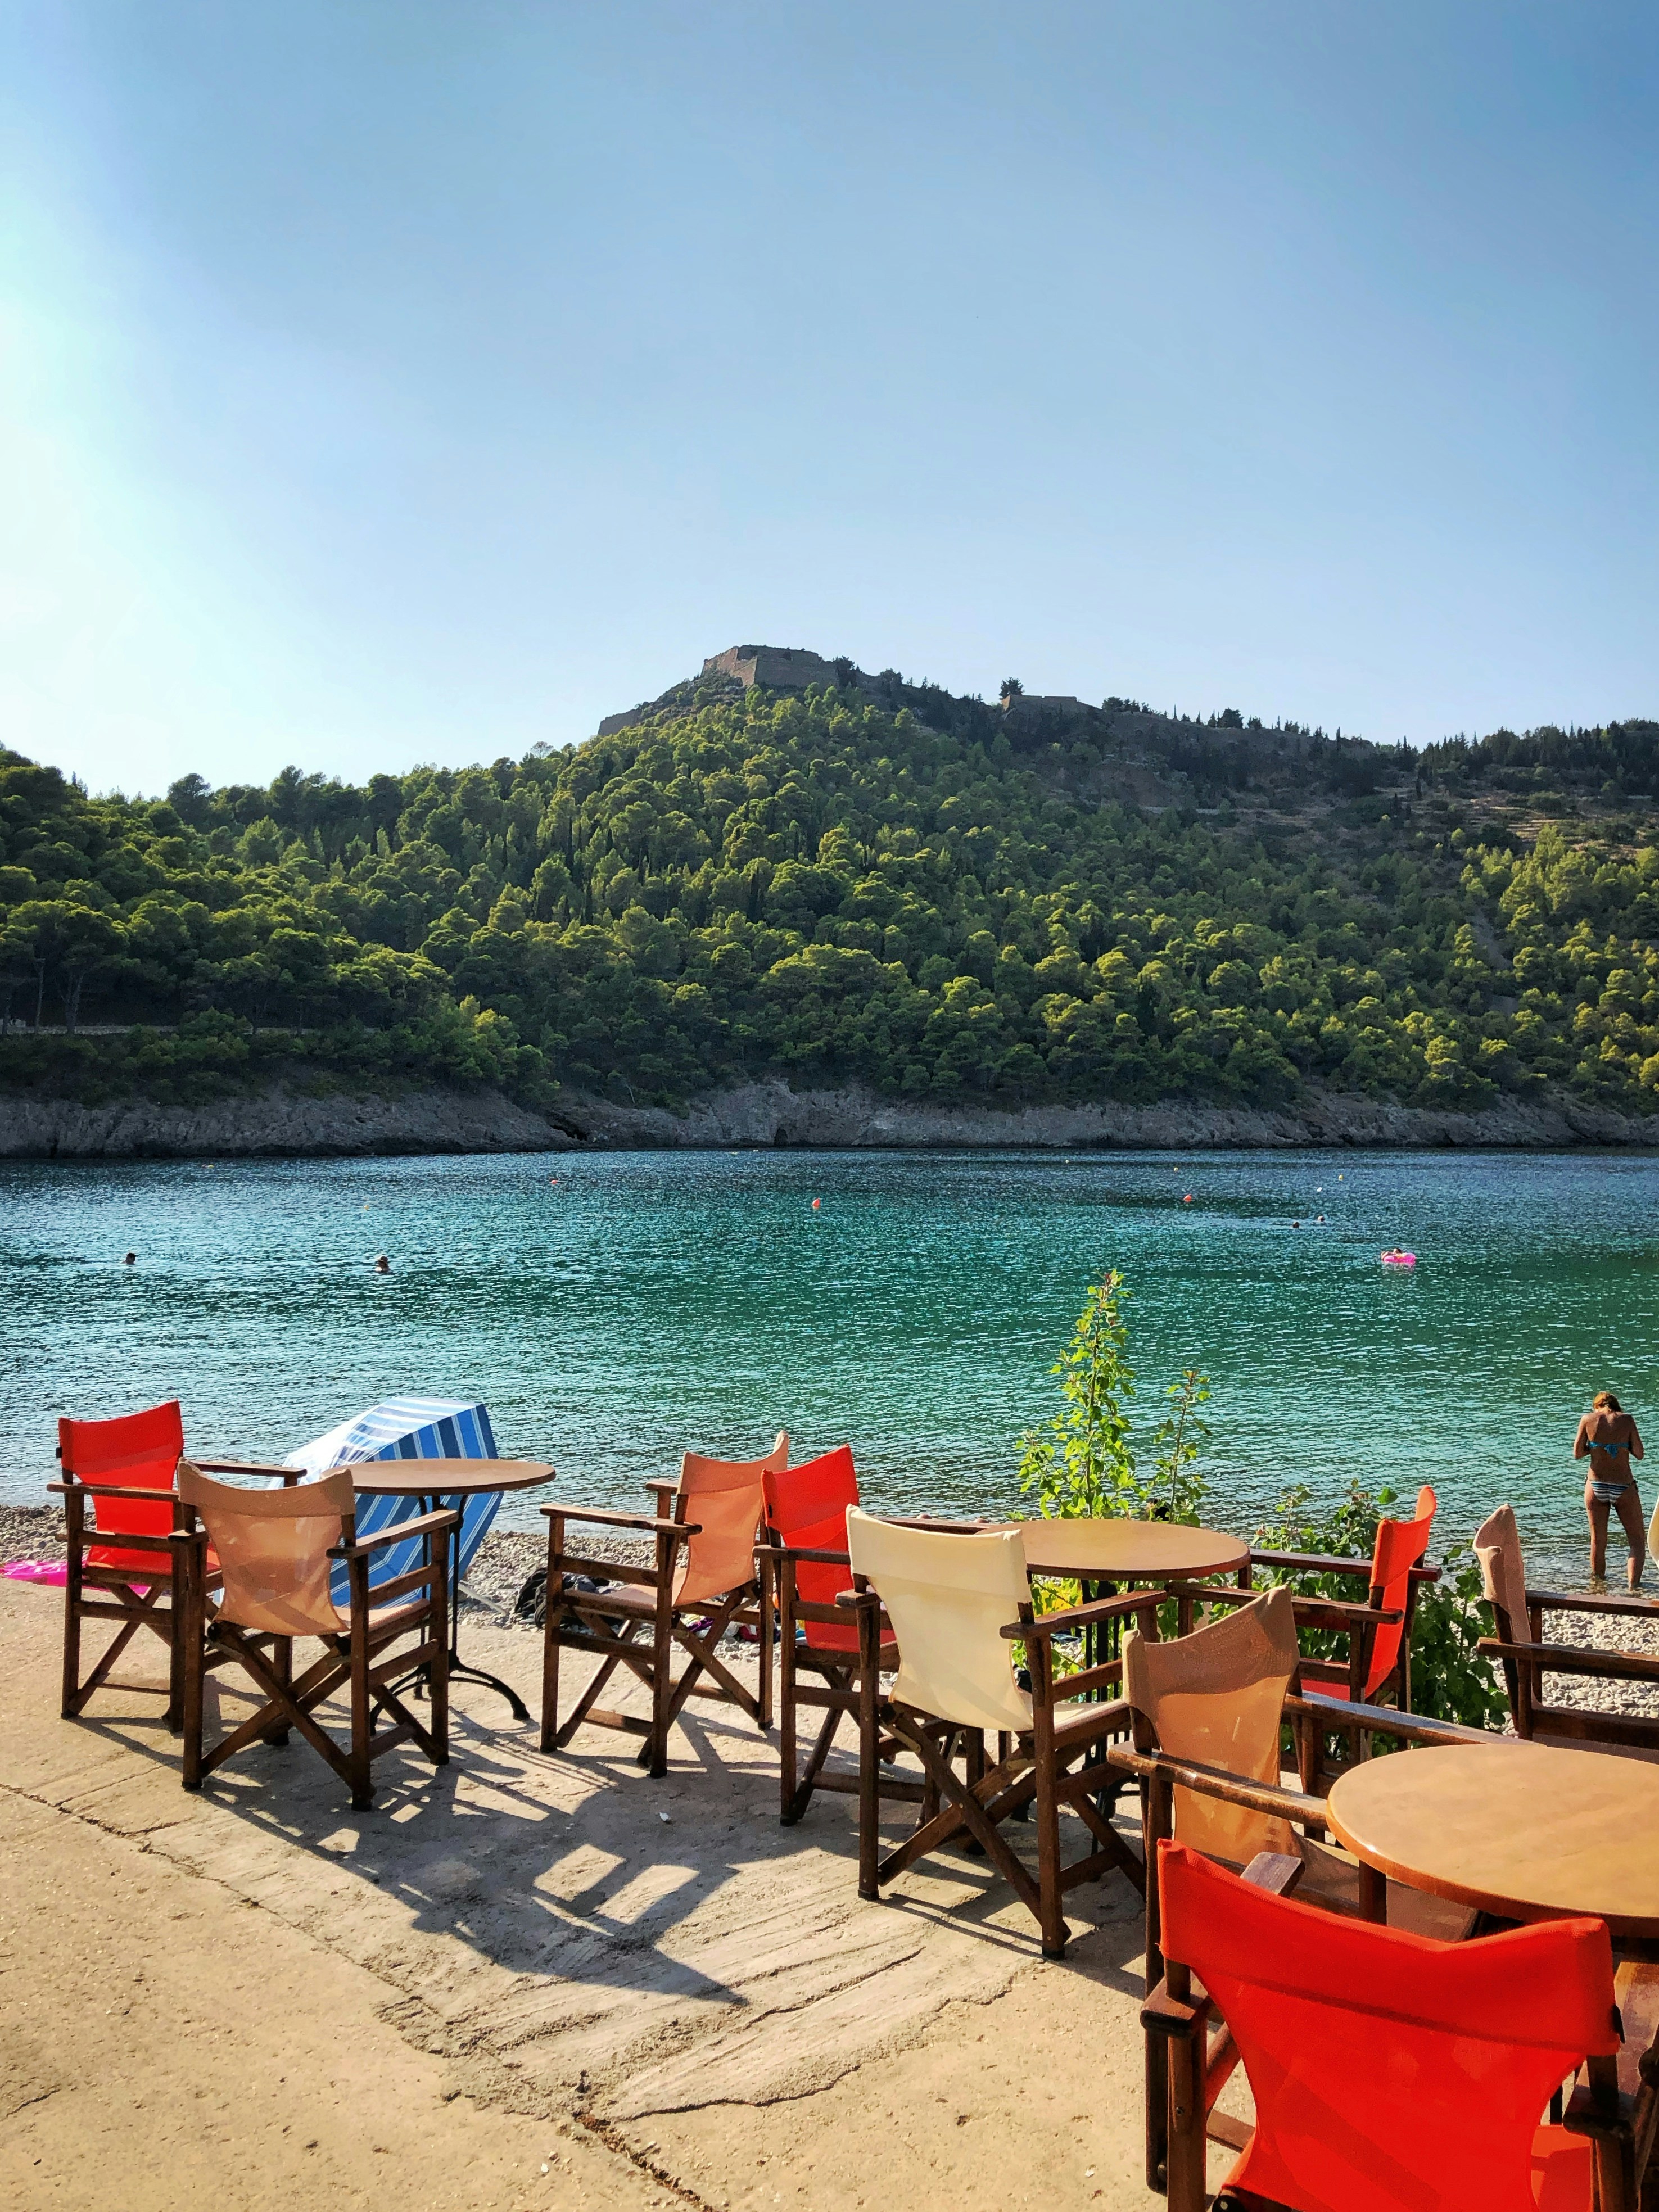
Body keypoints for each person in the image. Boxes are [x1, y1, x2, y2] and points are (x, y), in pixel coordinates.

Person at [1574, 1391, 1646, 1589]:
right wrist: (1623, 1447)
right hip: (1623, 1486)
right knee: (1637, 1541)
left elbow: (1578, 1453)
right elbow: (1640, 1454)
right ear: (1616, 1406)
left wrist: (1595, 1448)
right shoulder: (1627, 1420)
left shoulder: (1588, 1419)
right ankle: (1634, 1586)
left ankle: (1598, 1585)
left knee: (1598, 1540)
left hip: (1595, 1485)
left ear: (1597, 1406)